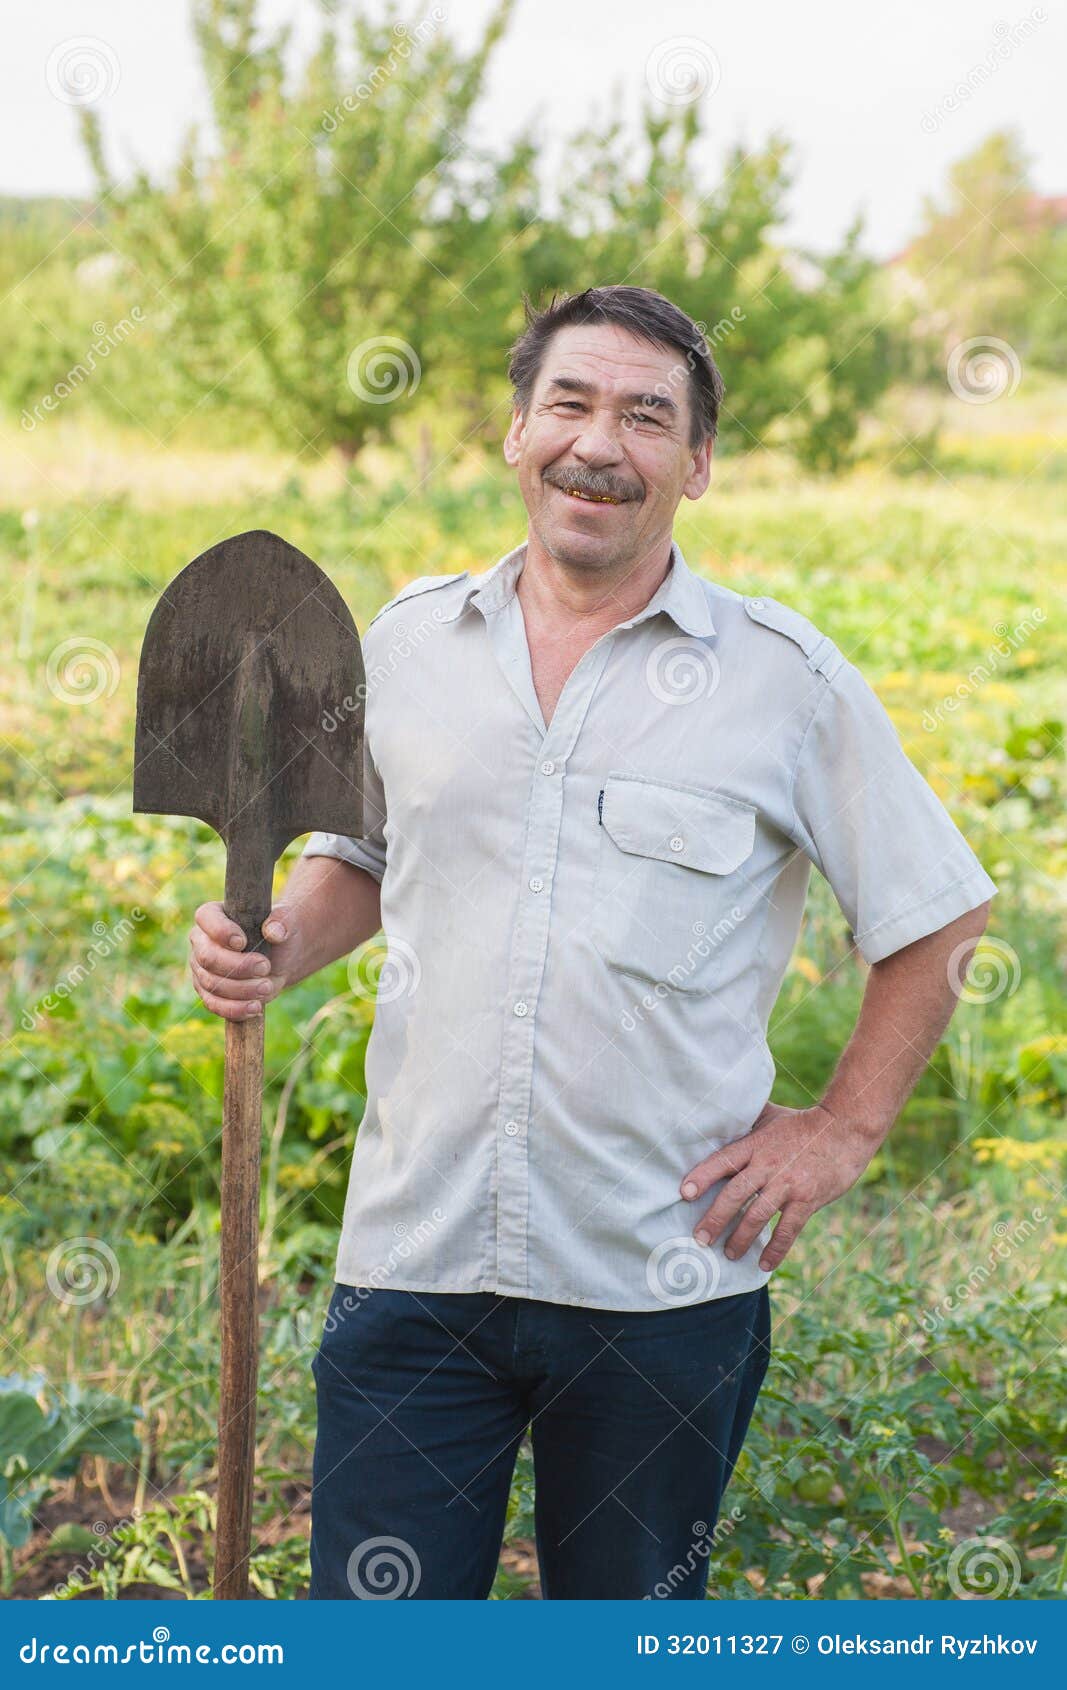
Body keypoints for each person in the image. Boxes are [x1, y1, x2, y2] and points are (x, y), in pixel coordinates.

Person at [188, 285, 995, 1600]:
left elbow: (938, 910)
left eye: (644, 415)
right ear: (516, 433)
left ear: (697, 462)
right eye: (568, 403)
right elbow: (365, 858)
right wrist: (270, 947)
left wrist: (841, 1128)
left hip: (657, 1281)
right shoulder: (410, 644)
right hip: (413, 1261)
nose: (597, 443)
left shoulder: (784, 681)